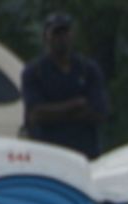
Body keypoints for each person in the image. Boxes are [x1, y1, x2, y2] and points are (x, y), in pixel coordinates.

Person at [21, 12, 109, 159]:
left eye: (65, 32)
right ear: (46, 37)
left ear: (72, 35)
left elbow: (100, 112)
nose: (61, 38)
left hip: (85, 153)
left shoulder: (87, 69)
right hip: (48, 154)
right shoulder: (34, 72)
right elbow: (35, 115)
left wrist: (54, 112)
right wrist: (75, 105)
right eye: (56, 33)